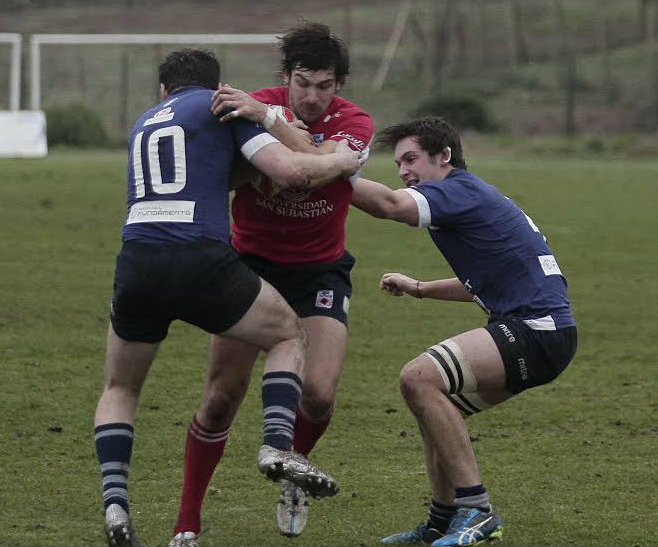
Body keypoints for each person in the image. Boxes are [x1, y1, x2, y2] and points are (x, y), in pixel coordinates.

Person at [93, 48, 359, 547]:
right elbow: (293, 173)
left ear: (162, 91)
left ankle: (114, 503)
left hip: (136, 260)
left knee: (120, 388)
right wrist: (343, 159)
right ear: (219, 88)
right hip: (200, 260)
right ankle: (277, 446)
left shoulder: (145, 121)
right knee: (286, 333)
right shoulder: (225, 110)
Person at [168, 23, 374, 546]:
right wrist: (267, 143)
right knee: (221, 398)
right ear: (286, 77)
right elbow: (272, 168)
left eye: (324, 85)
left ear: (339, 86)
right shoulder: (254, 103)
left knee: (320, 396)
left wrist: (270, 123)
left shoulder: (354, 122)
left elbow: (319, 164)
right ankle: (187, 523)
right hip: (250, 264)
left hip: (319, 271)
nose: (312, 95)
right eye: (302, 82)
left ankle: (293, 469)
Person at [349, 117, 578, 547]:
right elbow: (487, 281)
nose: (403, 171)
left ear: (444, 156)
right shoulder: (470, 197)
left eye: (411, 158)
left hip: (535, 330)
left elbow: (390, 206)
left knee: (419, 378)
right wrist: (419, 287)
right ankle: (441, 521)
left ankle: (477, 511)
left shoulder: (457, 191)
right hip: (544, 331)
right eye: (398, 162)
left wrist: (331, 173)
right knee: (436, 408)